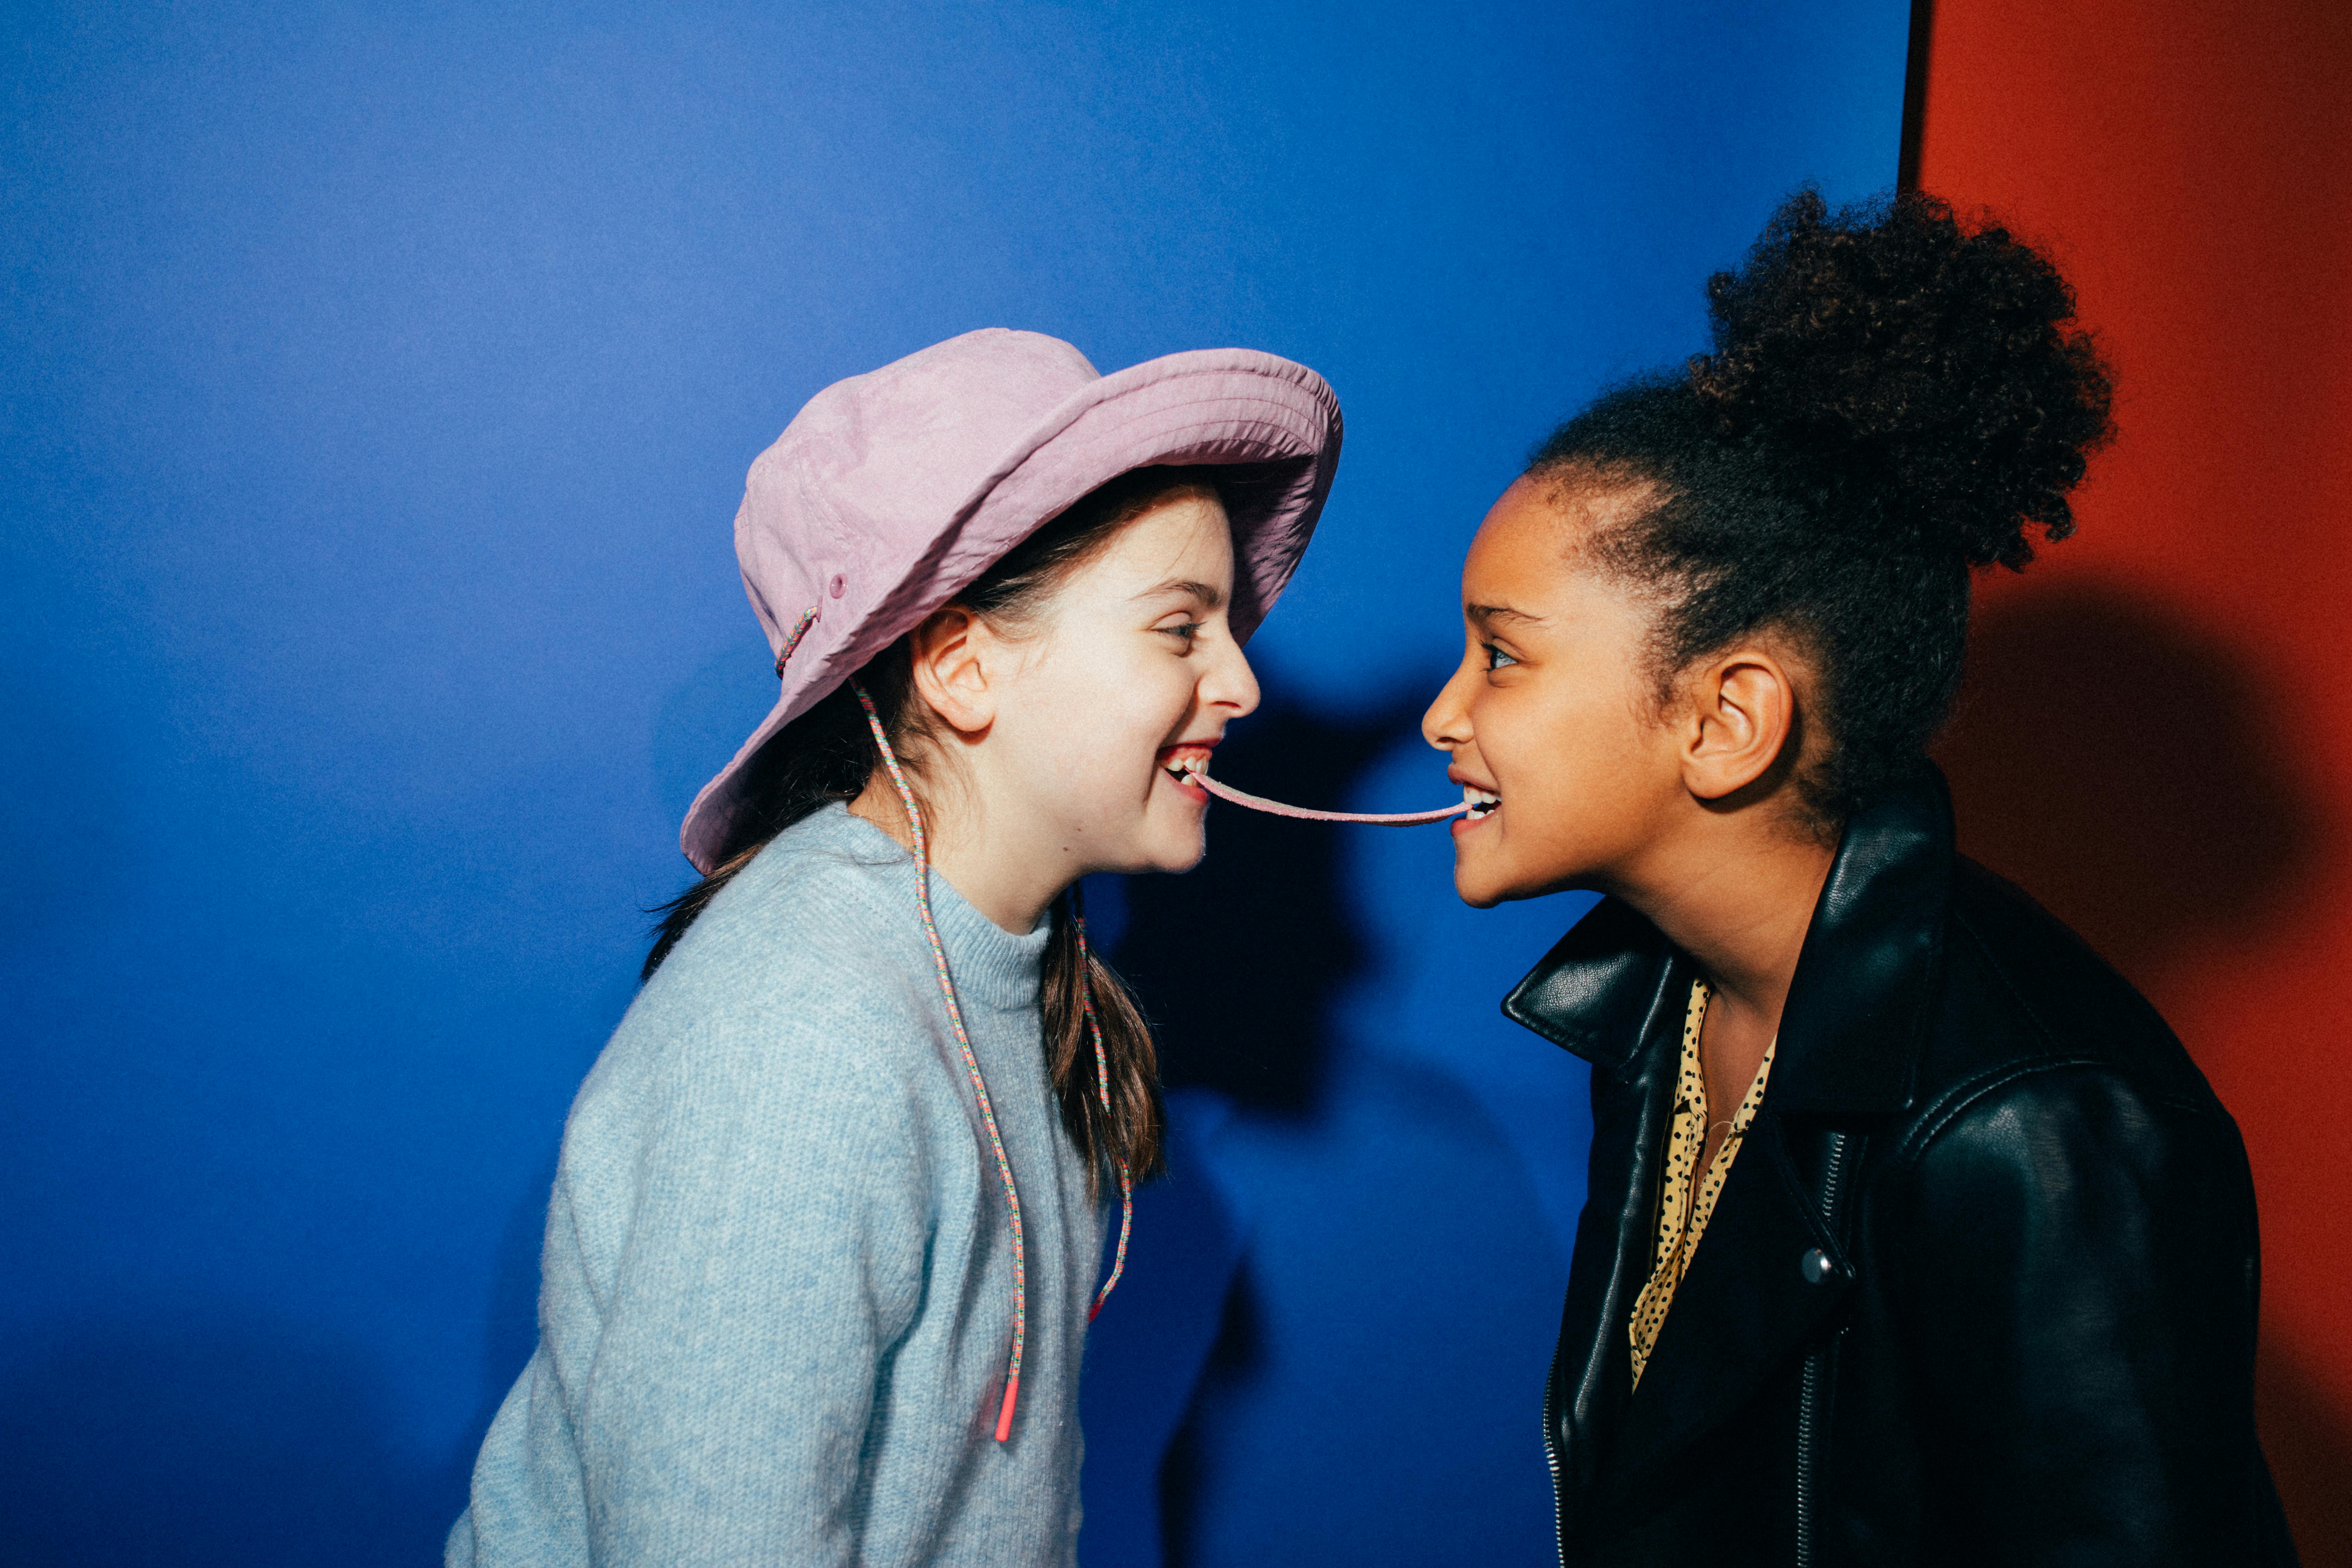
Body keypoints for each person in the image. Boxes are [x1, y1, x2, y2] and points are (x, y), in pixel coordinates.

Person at [1421, 191, 2295, 1564]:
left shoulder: (2042, 1126)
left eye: (1504, 654)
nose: (1444, 714)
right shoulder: (1657, 1013)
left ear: (1726, 720)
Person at [447, 328, 1342, 1567]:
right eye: (1180, 629)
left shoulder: (1008, 971)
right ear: (964, 670)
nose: (1240, 682)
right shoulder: (804, 1028)